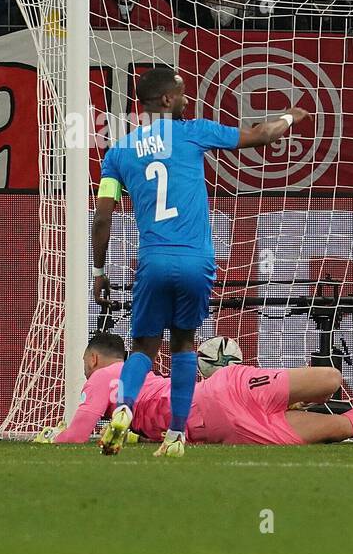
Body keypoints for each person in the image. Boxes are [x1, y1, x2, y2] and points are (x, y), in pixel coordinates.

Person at [90, 65, 309, 457]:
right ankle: (176, 437)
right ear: (166, 100)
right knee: (185, 343)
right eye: (183, 92)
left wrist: (100, 270)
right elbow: (260, 135)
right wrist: (293, 116)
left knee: (142, 347)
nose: (188, 99)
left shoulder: (119, 152)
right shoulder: (194, 132)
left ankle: (123, 408)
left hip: (153, 261)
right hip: (196, 261)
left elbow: (103, 216)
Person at [48, 332, 353, 446]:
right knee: (334, 397)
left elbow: (81, 427)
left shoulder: (102, 378)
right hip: (224, 398)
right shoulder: (140, 373)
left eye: (85, 368)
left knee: (338, 420)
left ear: (94, 360)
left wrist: (53, 438)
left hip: (216, 423)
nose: (86, 377)